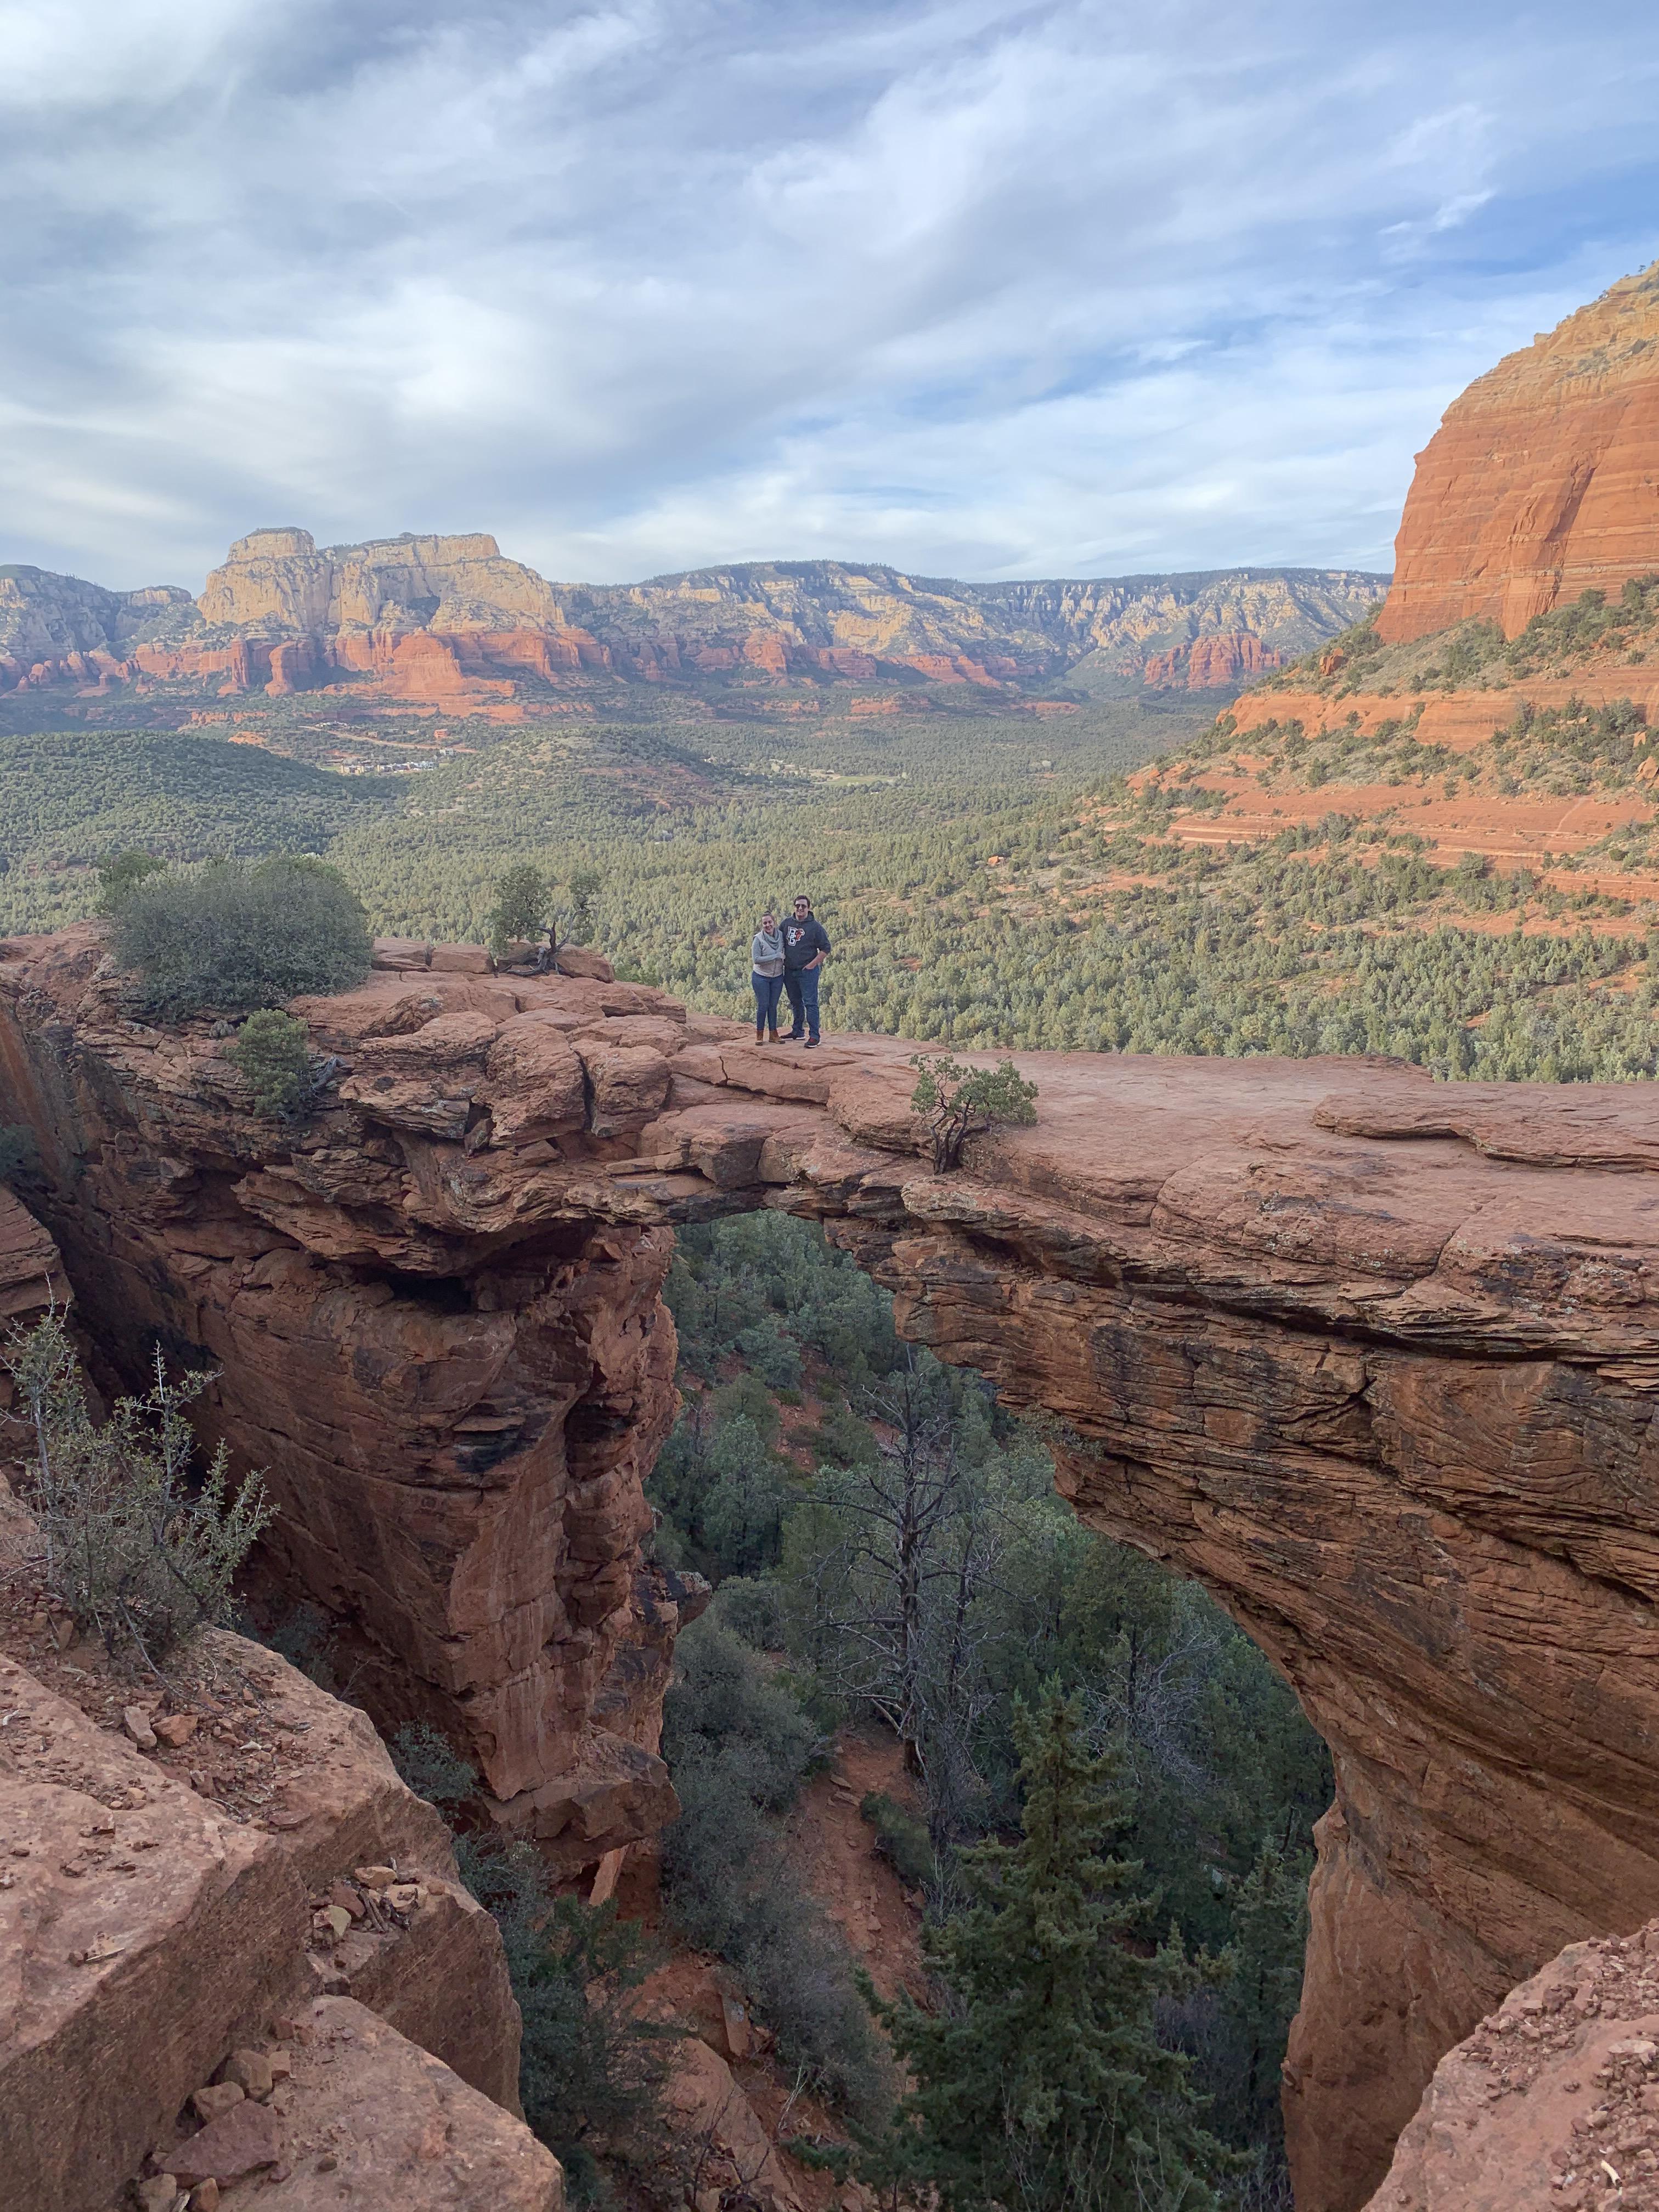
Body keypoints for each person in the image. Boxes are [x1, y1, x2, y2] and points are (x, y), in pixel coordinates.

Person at [781, 893, 830, 1046]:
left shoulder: (815, 927)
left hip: (808, 972)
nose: (800, 908)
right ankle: (798, 1031)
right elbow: (776, 939)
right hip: (790, 971)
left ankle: (815, 1036)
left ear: (808, 908)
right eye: (798, 906)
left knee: (810, 1003)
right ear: (794, 907)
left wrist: (812, 965)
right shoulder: (786, 923)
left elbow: (826, 948)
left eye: (804, 906)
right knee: (795, 1002)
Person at [751, 909, 786, 1042]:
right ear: (762, 925)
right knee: (763, 1005)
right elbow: (757, 959)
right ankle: (760, 1035)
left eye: (770, 922)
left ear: (774, 922)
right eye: (765, 923)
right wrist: (775, 956)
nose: (768, 925)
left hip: (777, 976)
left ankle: (773, 1034)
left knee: (773, 1006)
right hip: (761, 977)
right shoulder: (758, 940)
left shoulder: (781, 936)